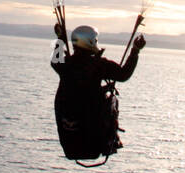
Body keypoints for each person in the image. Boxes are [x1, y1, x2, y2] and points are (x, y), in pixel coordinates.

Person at [51, 23, 145, 161]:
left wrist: (59, 38)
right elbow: (124, 74)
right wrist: (135, 50)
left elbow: (55, 59)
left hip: (70, 143)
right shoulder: (99, 65)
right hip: (91, 144)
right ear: (90, 42)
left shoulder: (64, 64)